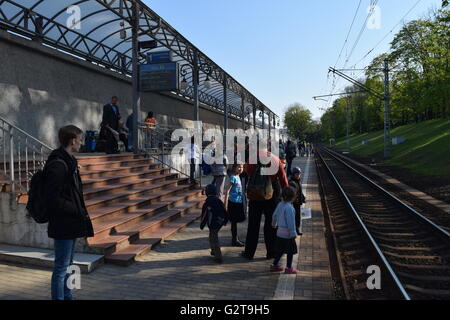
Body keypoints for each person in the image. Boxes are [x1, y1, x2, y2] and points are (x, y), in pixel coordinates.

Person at [45, 125, 94, 300]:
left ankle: (68, 295)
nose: (81, 143)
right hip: (63, 223)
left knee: (68, 264)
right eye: (80, 140)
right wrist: (75, 209)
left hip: (71, 222)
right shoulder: (58, 164)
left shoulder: (69, 161)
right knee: (61, 266)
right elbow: (52, 198)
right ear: (72, 141)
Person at [241, 149, 289, 260]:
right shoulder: (275, 159)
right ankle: (271, 252)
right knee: (271, 224)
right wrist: (286, 194)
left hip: (255, 194)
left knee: (253, 224)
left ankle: (249, 253)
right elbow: (283, 178)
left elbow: (247, 171)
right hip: (272, 194)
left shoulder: (252, 158)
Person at [270, 186, 299, 274]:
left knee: (280, 250)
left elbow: (274, 215)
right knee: (290, 252)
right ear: (293, 197)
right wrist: (293, 233)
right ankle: (289, 267)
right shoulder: (289, 208)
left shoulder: (280, 205)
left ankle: (274, 265)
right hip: (288, 234)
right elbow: (291, 222)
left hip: (279, 232)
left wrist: (274, 224)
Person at [200, 184, 229, 263]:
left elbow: (204, 215)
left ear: (207, 193)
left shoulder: (207, 203)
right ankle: (213, 251)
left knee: (214, 239)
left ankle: (218, 257)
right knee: (211, 236)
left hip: (213, 223)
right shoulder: (218, 200)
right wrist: (225, 220)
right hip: (219, 222)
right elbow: (224, 211)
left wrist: (202, 225)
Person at [224, 164, 246, 247]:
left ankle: (235, 239)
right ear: (234, 168)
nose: (241, 169)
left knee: (236, 221)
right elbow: (227, 191)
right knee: (234, 222)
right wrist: (225, 204)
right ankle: (234, 240)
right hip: (233, 203)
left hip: (238, 202)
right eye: (239, 167)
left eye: (242, 167)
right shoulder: (233, 177)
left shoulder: (238, 177)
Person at [289, 167, 306, 236]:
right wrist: (294, 201)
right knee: (295, 217)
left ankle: (296, 229)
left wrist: (303, 198)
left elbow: (300, 192)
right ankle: (296, 230)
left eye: (299, 174)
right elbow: (293, 194)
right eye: (297, 174)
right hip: (294, 203)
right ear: (293, 174)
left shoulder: (297, 181)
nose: (298, 175)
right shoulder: (292, 183)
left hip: (298, 203)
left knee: (298, 217)